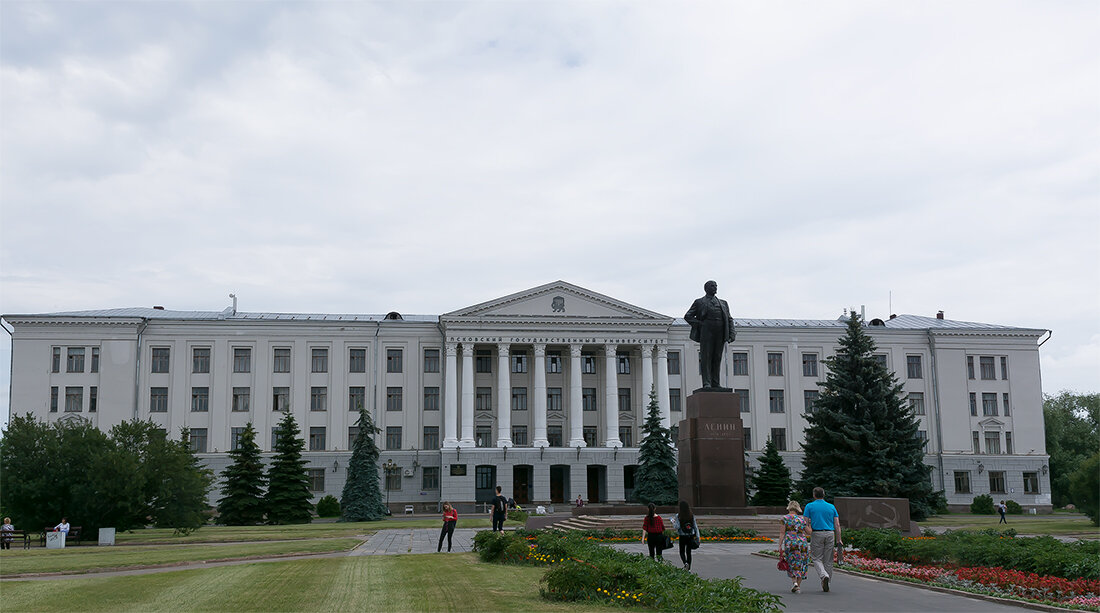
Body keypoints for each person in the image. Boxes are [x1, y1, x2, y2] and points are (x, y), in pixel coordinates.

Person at [684, 280, 736, 389]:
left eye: (716, 286)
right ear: (706, 288)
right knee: (706, 357)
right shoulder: (699, 302)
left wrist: (732, 333)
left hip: (720, 331)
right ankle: (707, 383)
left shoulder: (723, 303)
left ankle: (715, 383)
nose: (715, 288)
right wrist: (700, 324)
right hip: (706, 331)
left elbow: (729, 318)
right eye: (712, 286)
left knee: (717, 357)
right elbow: (688, 316)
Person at [803, 488, 842, 592]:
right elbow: (837, 524)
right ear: (823, 495)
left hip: (817, 533)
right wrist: (839, 539)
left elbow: (804, 523)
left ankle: (823, 575)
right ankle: (827, 581)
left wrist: (807, 532)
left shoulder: (809, 506)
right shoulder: (831, 507)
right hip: (830, 533)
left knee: (816, 558)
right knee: (828, 560)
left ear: (814, 495)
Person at [779, 500, 812, 593]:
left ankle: (794, 583)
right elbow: (809, 532)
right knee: (802, 563)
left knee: (792, 562)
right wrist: (810, 524)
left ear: (789, 508)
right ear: (798, 508)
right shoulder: (801, 519)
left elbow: (782, 533)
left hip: (790, 543)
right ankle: (798, 585)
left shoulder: (784, 518)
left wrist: (780, 545)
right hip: (802, 543)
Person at [673, 500, 700, 571]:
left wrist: (673, 522)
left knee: (681, 551)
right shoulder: (691, 515)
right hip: (690, 536)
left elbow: (677, 527)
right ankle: (689, 569)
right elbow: (695, 526)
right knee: (689, 552)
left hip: (682, 536)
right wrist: (698, 537)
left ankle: (685, 563)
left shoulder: (678, 516)